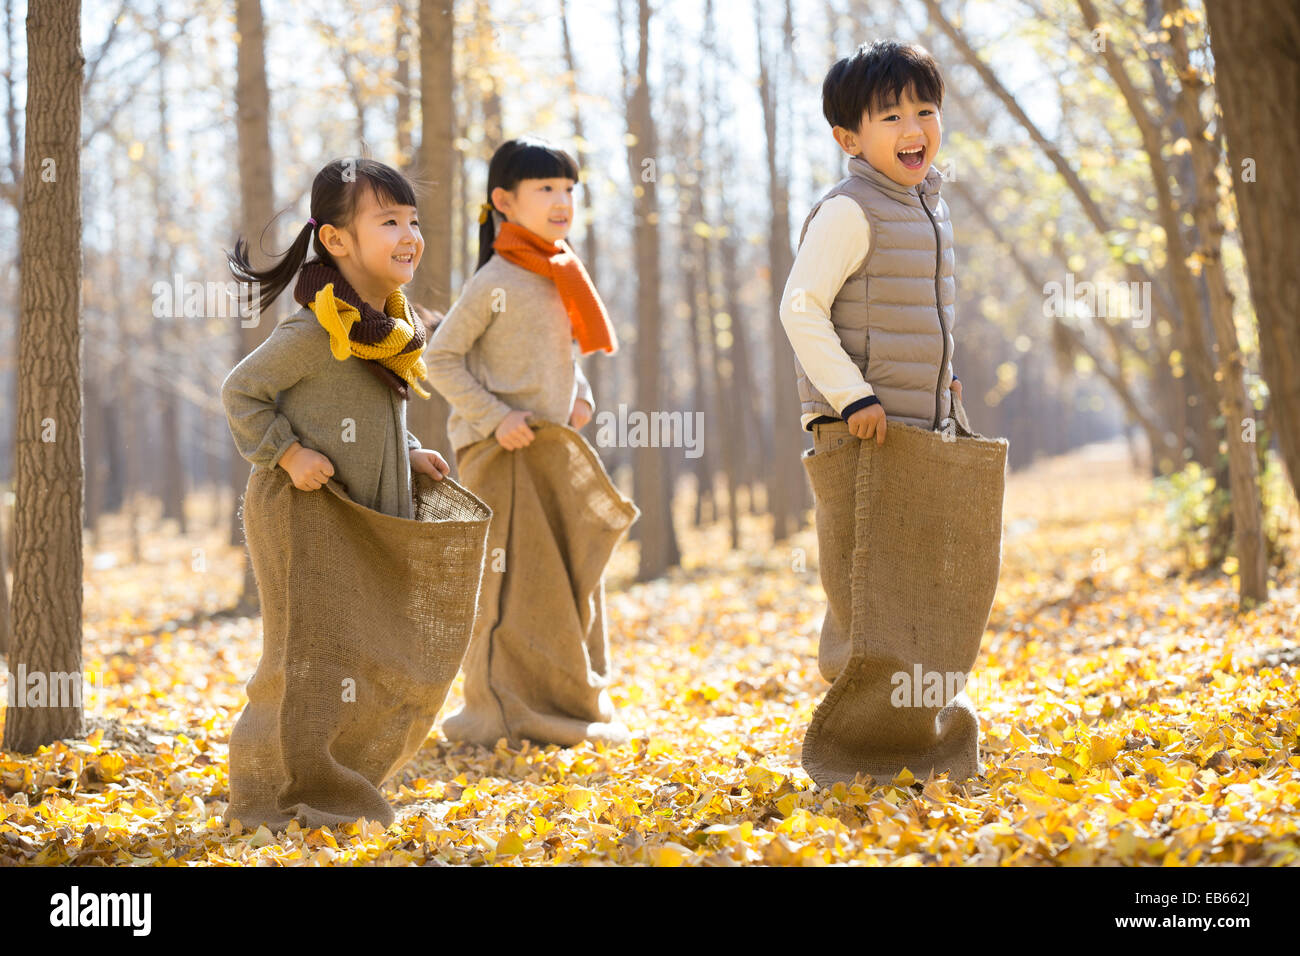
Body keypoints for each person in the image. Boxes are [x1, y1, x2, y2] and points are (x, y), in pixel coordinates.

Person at [219, 158, 491, 830]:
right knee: (296, 659)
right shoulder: (316, 332)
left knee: (364, 654)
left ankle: (334, 785)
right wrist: (287, 451)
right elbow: (240, 393)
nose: (409, 235)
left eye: (413, 221)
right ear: (337, 241)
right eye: (389, 221)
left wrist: (410, 452)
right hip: (301, 514)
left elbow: (370, 419)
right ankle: (262, 798)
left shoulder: (381, 334)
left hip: (362, 519)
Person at [779, 40, 990, 786]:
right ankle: (856, 750)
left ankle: (918, 738)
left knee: (921, 592)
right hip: (861, 429)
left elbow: (920, 316)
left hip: (917, 429)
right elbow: (801, 309)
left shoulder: (926, 206)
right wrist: (853, 396)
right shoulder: (849, 209)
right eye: (892, 113)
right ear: (849, 139)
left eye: (926, 110)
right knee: (867, 593)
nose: (915, 126)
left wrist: (945, 383)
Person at [425, 137, 638, 750]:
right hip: (500, 454)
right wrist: (494, 418)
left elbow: (568, 355)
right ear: (503, 201)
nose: (561, 201)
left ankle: (568, 700)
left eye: (568, 189)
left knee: (571, 577)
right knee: (512, 584)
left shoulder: (559, 269)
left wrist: (583, 397)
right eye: (545, 188)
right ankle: (498, 711)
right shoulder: (497, 278)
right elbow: (441, 359)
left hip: (552, 449)